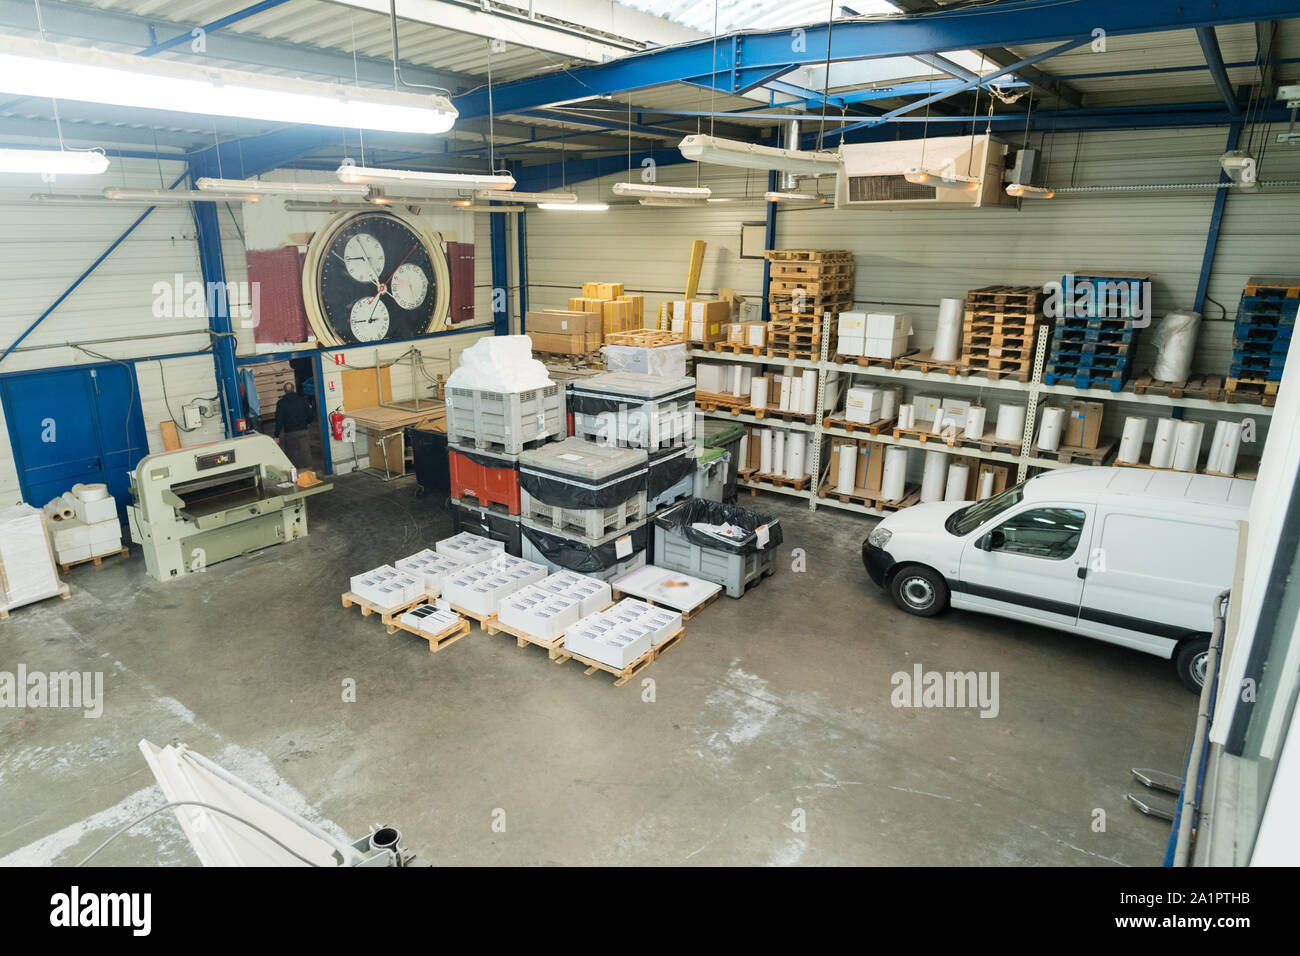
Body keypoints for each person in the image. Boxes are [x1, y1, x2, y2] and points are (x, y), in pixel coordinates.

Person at [274, 382, 313, 469]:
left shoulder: (281, 404)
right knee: (306, 453)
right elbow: (310, 414)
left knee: (291, 455)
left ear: (284, 391)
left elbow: (279, 420)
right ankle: (310, 473)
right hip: (303, 430)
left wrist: (276, 435)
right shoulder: (303, 400)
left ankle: (294, 473)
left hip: (290, 433)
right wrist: (308, 422)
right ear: (294, 389)